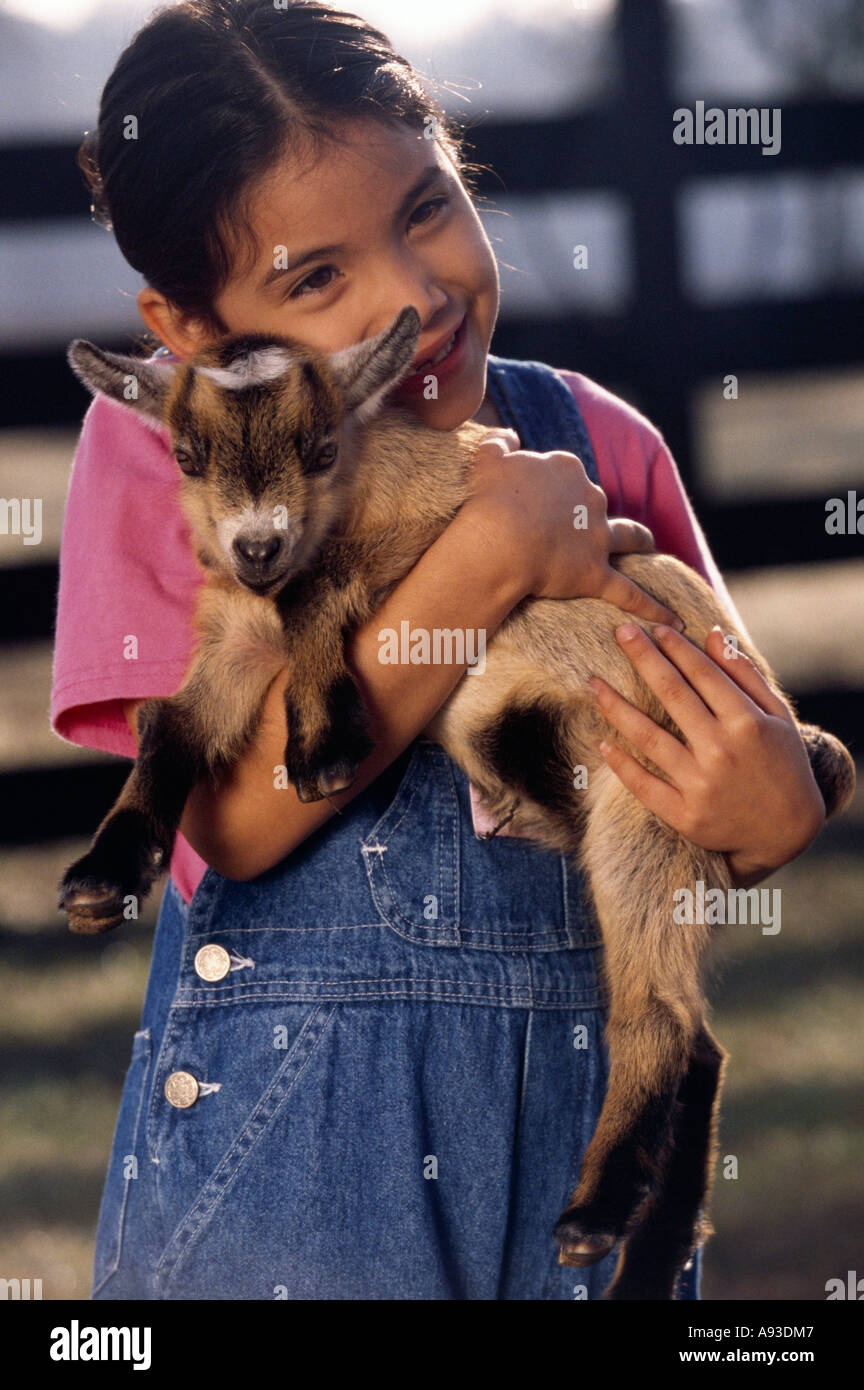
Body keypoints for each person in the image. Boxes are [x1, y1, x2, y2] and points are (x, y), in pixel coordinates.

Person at [51, 0, 827, 1301]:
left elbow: (728, 774)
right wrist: (492, 557)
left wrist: (776, 809)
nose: (410, 298)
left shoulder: (598, 439)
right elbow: (231, 825)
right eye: (315, 278)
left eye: (425, 209)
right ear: (186, 331)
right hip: (282, 1214)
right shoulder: (163, 461)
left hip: (560, 1212)